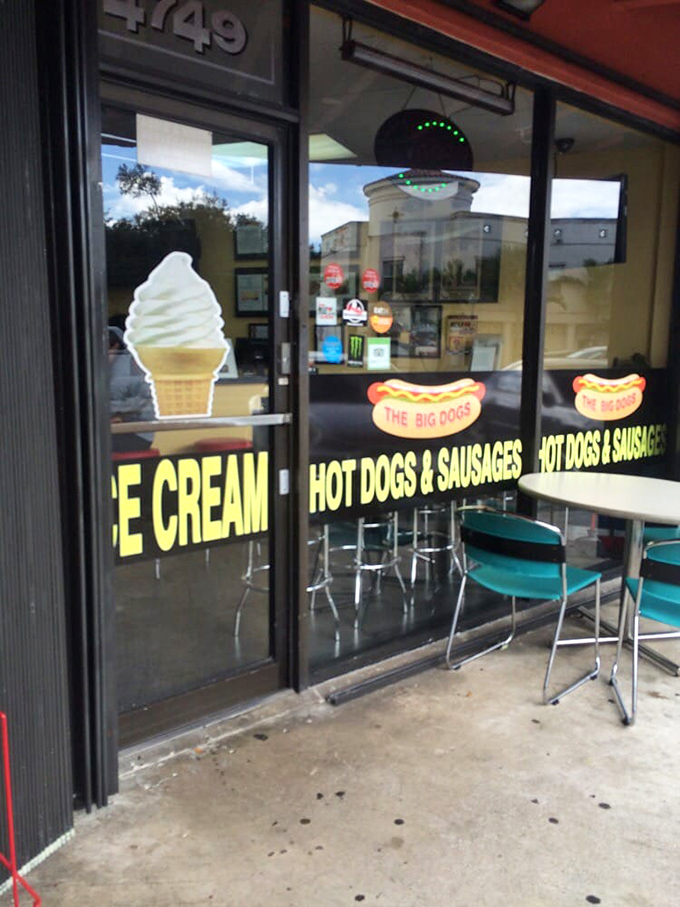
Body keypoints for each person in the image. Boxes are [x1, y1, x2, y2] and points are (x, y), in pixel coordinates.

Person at [108, 326, 155, 453]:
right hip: (125, 430)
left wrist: (121, 415)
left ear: (116, 347)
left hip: (137, 435)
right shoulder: (113, 367)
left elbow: (146, 400)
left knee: (91, 443)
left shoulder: (124, 367)